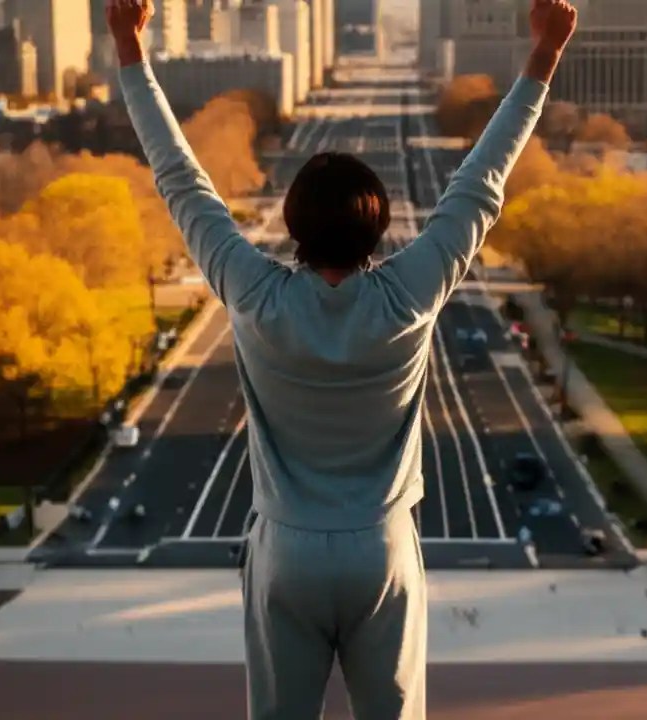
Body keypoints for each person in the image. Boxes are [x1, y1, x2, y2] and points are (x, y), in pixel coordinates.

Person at [106, 1, 578, 717]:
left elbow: (179, 178)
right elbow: (482, 184)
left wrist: (129, 49)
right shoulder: (408, 297)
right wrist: (543, 55)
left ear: (293, 224)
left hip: (286, 552)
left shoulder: (255, 295)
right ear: (378, 224)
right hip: (380, 549)